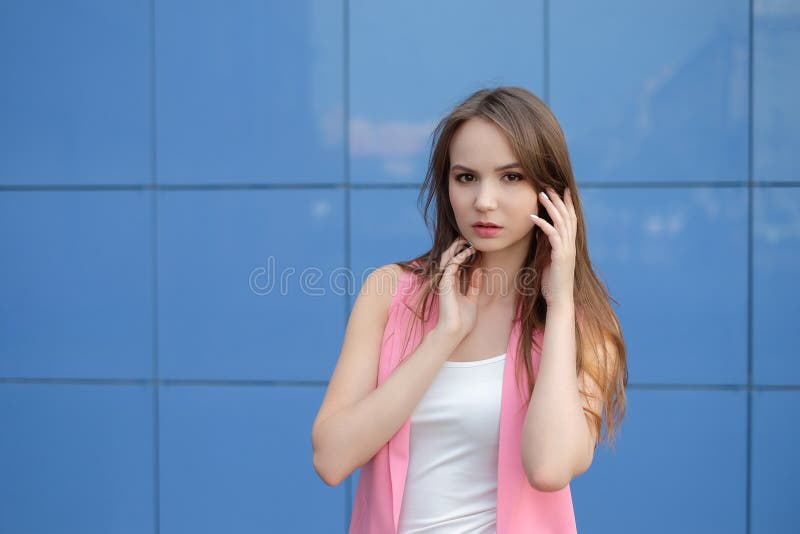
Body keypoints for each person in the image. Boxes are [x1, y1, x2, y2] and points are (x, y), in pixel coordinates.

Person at [311, 86, 628, 533]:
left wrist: (558, 310)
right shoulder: (389, 291)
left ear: (551, 192)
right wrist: (443, 337)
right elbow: (331, 457)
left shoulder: (585, 326)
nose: (484, 200)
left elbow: (549, 468)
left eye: (511, 177)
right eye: (466, 177)